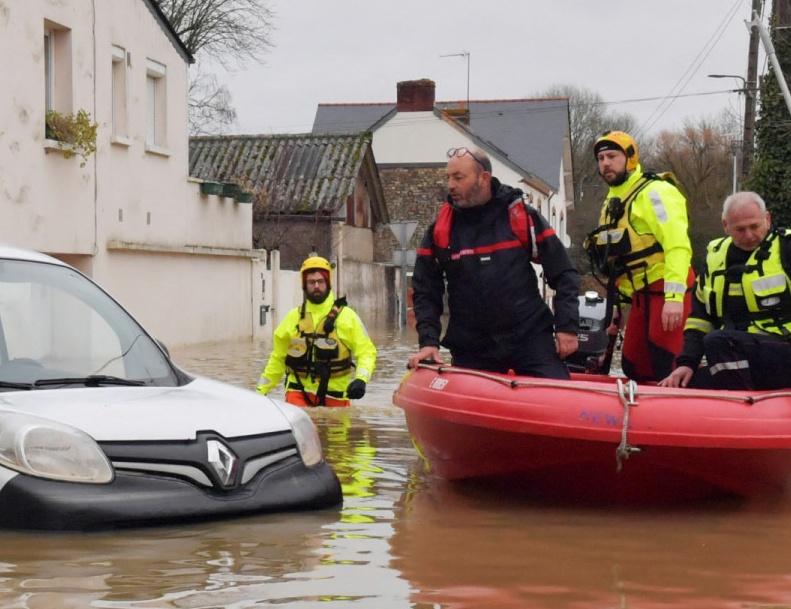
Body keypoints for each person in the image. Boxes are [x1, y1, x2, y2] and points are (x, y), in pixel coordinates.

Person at [660, 191, 791, 391]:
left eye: (755, 227)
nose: (749, 236)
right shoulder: (715, 258)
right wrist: (687, 363)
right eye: (740, 229)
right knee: (687, 382)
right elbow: (700, 320)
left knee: (719, 341)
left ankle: (741, 405)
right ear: (726, 226)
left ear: (768, 219)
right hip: (740, 356)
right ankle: (731, 402)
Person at [408, 148, 580, 379]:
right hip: (472, 346)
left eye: (458, 178)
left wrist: (567, 328)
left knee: (560, 400)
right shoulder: (441, 230)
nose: (450, 185)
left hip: (529, 337)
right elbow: (425, 291)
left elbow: (565, 273)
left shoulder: (521, 217)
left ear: (484, 178)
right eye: (448, 177)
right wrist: (429, 342)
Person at [583, 130, 692, 384]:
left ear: (630, 158)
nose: (605, 163)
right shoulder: (612, 200)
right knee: (634, 363)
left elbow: (678, 246)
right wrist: (617, 308)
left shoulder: (655, 192)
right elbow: (618, 260)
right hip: (639, 295)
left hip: (667, 287)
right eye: (600, 158)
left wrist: (674, 298)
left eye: (612, 156)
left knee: (668, 361)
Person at [257, 256, 377, 407]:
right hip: (297, 395)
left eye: (320, 281)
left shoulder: (348, 317)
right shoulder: (292, 318)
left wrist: (361, 379)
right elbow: (277, 360)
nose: (316, 286)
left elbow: (367, 352)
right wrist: (260, 391)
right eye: (311, 282)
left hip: (336, 397)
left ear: (328, 283)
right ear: (304, 285)